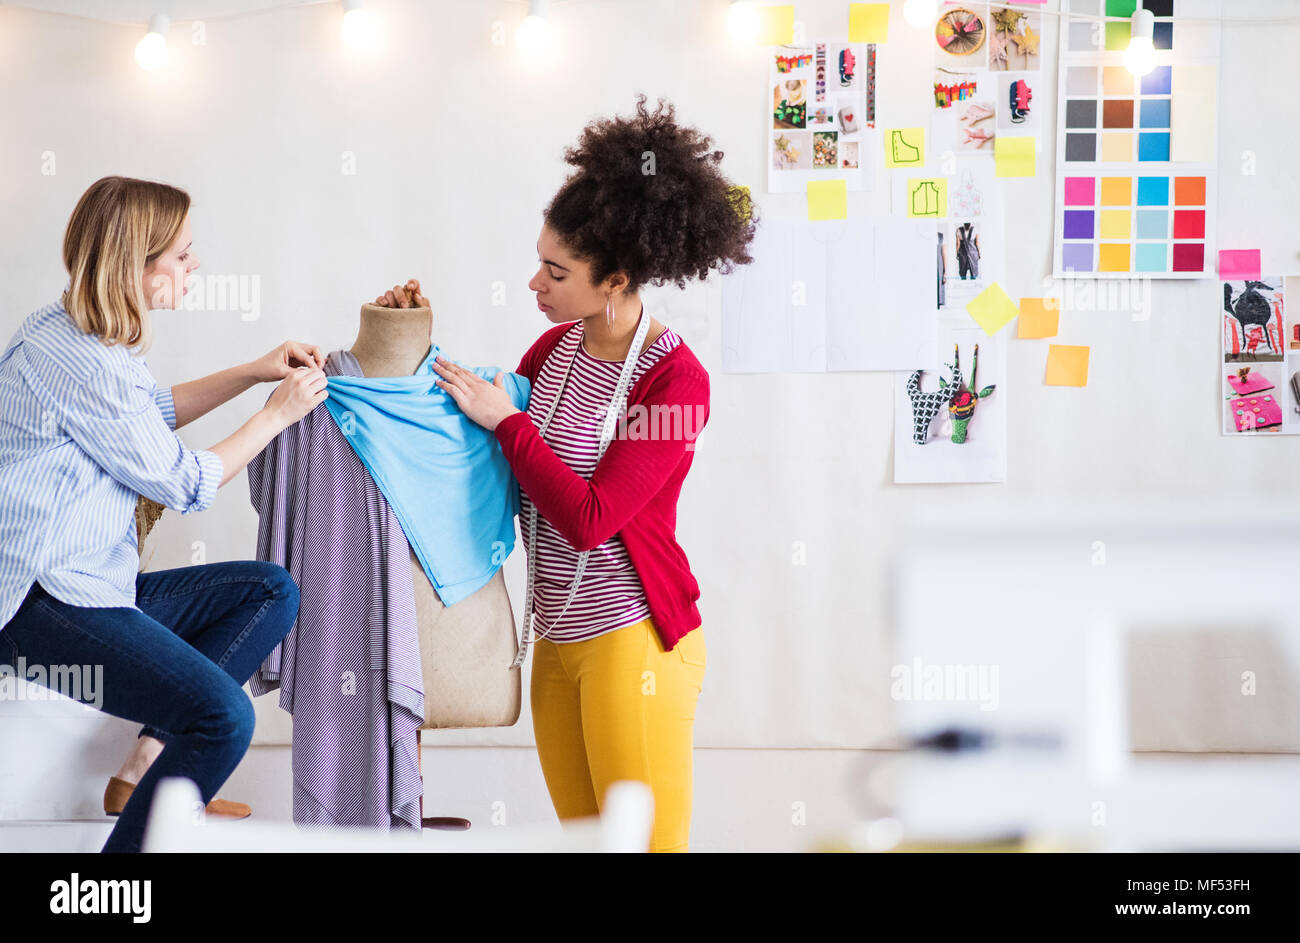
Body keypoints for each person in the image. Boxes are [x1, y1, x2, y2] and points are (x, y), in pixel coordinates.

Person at [373, 95, 754, 851]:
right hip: (555, 641)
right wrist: (408, 337)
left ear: (614, 279)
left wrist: (507, 422)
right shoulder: (551, 358)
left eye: (556, 270)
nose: (534, 283)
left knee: (647, 847)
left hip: (633, 639)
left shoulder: (676, 382)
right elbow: (486, 457)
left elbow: (589, 518)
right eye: (538, 261)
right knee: (588, 846)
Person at [0, 176, 328, 853]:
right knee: (224, 717)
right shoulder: (81, 363)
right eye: (181, 253)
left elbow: (147, 414)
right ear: (135, 264)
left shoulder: (75, 335)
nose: (195, 264)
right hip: (41, 604)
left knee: (271, 588)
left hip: (90, 583)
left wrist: (252, 371)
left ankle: (144, 762)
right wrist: (278, 413)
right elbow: (184, 481)